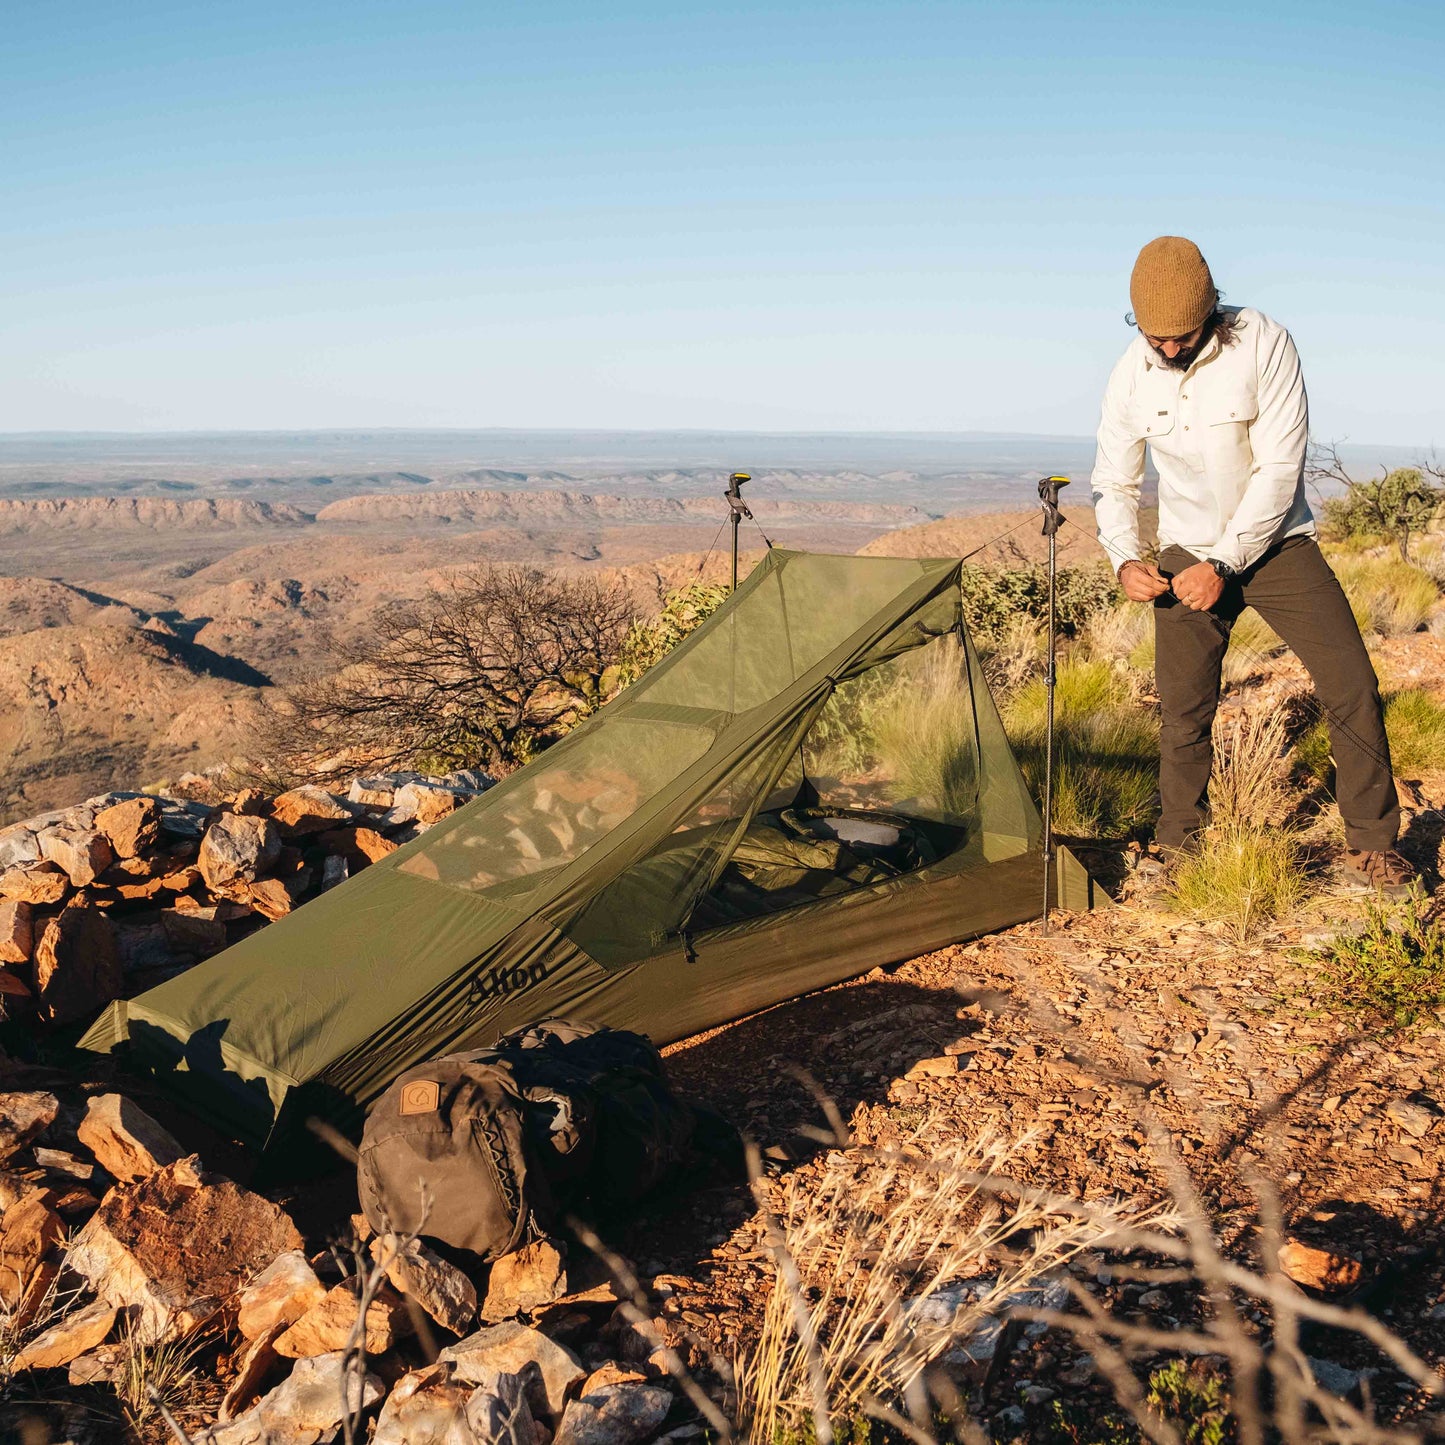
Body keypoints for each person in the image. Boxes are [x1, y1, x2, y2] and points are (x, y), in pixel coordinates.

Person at [1091, 235, 1415, 893]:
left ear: (1209, 310)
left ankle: (1373, 846)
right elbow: (1113, 479)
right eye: (1156, 336)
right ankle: (1177, 844)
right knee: (1183, 709)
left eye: (1182, 334)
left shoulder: (1264, 342)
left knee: (1349, 682)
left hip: (1275, 545)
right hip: (1183, 549)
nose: (1170, 347)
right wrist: (1125, 558)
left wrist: (1223, 561)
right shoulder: (1131, 370)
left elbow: (1277, 470)